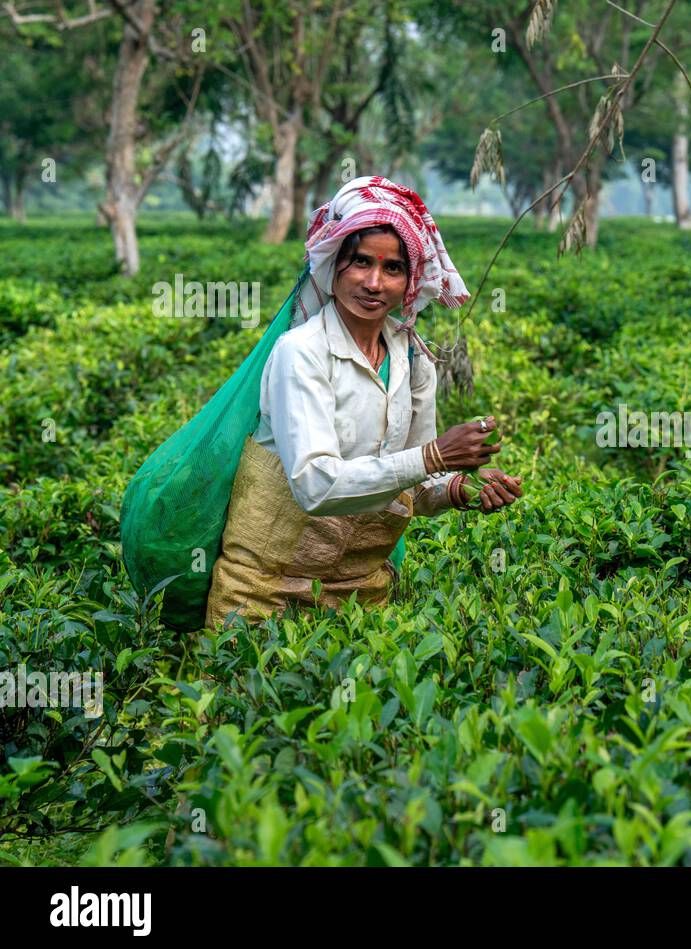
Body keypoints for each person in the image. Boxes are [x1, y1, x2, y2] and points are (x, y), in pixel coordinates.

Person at [204, 176, 522, 631]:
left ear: (410, 280)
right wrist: (435, 456)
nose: (374, 283)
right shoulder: (302, 353)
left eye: (392, 268)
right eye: (360, 263)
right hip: (262, 596)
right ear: (334, 268)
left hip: (363, 598)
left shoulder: (413, 359)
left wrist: (459, 488)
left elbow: (411, 484)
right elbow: (315, 486)